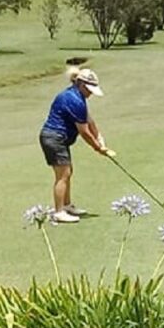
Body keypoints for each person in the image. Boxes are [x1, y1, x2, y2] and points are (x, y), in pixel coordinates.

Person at [38, 63, 108, 220]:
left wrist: (100, 138)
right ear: (81, 84)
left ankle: (66, 205)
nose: (90, 94)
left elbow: (89, 121)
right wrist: (98, 148)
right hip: (54, 138)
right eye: (89, 90)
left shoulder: (77, 97)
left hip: (58, 138)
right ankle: (59, 212)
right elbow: (84, 132)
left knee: (67, 172)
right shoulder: (74, 100)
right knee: (63, 174)